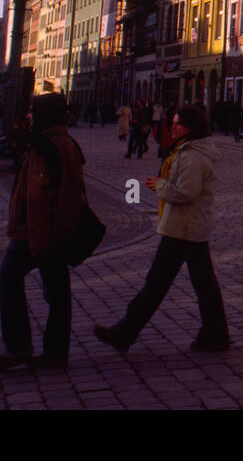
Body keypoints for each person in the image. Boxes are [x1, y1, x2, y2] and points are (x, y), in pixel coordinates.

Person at [95, 105, 231, 354]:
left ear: (191, 126)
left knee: (156, 285)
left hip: (183, 227)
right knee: (203, 284)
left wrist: (160, 185)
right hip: (189, 226)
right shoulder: (188, 150)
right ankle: (216, 333)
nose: (173, 126)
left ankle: (124, 333)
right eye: (173, 122)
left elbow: (185, 193)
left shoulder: (193, 156)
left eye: (178, 123)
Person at [0, 93, 86, 374]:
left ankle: (20, 348)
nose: (30, 115)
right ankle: (53, 352)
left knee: (8, 283)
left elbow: (54, 196)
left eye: (34, 111)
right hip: (42, 232)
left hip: (39, 234)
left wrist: (43, 239)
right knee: (56, 293)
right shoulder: (54, 143)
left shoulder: (49, 146)